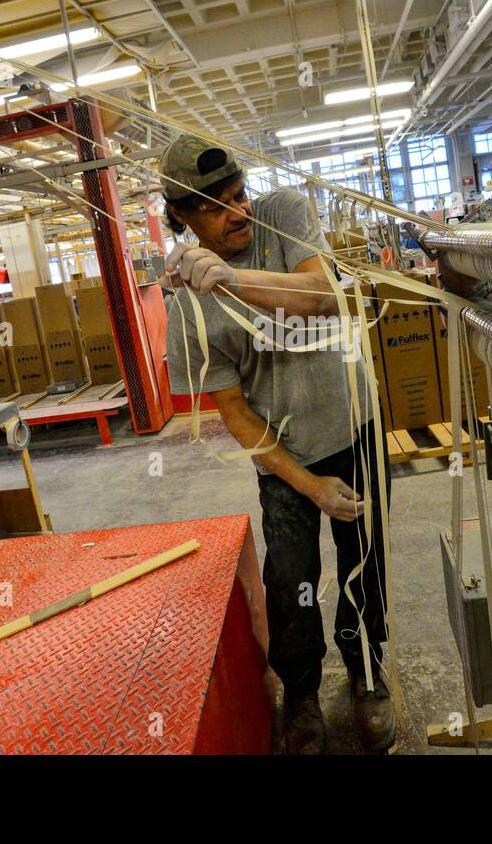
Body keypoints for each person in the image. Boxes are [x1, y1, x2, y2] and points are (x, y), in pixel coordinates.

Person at [161, 134, 394, 754]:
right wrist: (309, 484)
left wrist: (233, 278)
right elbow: (233, 413)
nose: (238, 214)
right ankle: (303, 693)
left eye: (240, 196)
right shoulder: (186, 306)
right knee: (291, 581)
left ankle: (369, 677)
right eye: (216, 208)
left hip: (355, 431)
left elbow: (320, 297)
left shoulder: (284, 212)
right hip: (286, 458)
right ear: (182, 216)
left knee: (365, 565)